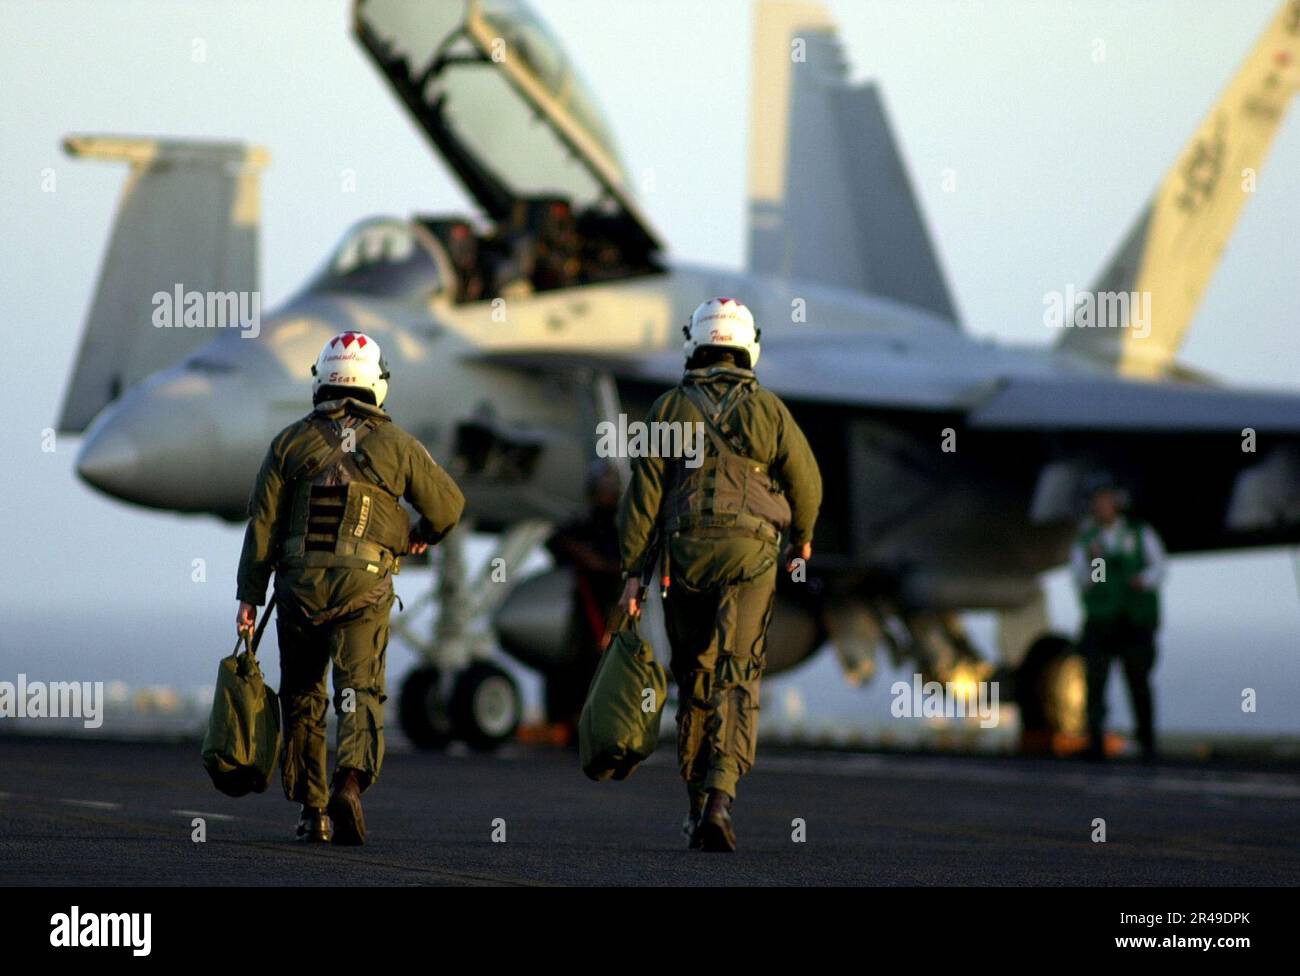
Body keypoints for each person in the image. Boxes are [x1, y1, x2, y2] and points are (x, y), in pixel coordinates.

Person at [235, 331, 464, 844]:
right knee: (358, 690)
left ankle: (313, 810)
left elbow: (262, 526)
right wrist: (419, 535)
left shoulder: (289, 443)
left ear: (321, 379)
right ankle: (350, 782)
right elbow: (449, 506)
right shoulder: (399, 444)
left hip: (299, 589)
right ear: (377, 383)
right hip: (364, 587)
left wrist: (249, 596)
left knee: (303, 695)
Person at [616, 298, 822, 851]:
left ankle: (692, 805)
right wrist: (801, 538)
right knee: (738, 672)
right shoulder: (770, 411)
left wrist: (635, 572)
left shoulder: (667, 409)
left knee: (696, 678)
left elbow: (641, 498)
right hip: (751, 557)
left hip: (686, 556)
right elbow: (806, 481)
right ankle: (720, 800)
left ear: (696, 343)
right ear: (746, 346)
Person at [1070, 479, 1166, 763]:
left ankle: (1146, 741)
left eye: (1107, 501)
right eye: (1098, 502)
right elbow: (1084, 581)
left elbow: (1158, 568)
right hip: (1102, 621)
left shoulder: (1139, 534)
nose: (1102, 507)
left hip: (1135, 621)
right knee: (1095, 683)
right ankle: (1095, 741)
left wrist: (1142, 580)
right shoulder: (1087, 542)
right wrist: (1099, 563)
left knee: (1139, 681)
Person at [544, 460, 624, 737]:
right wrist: (582, 555)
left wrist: (599, 564)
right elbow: (556, 541)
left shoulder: (623, 527)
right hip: (585, 606)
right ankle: (573, 721)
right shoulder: (585, 525)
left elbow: (629, 562)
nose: (605, 493)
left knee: (607, 665)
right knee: (576, 664)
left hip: (612, 605)